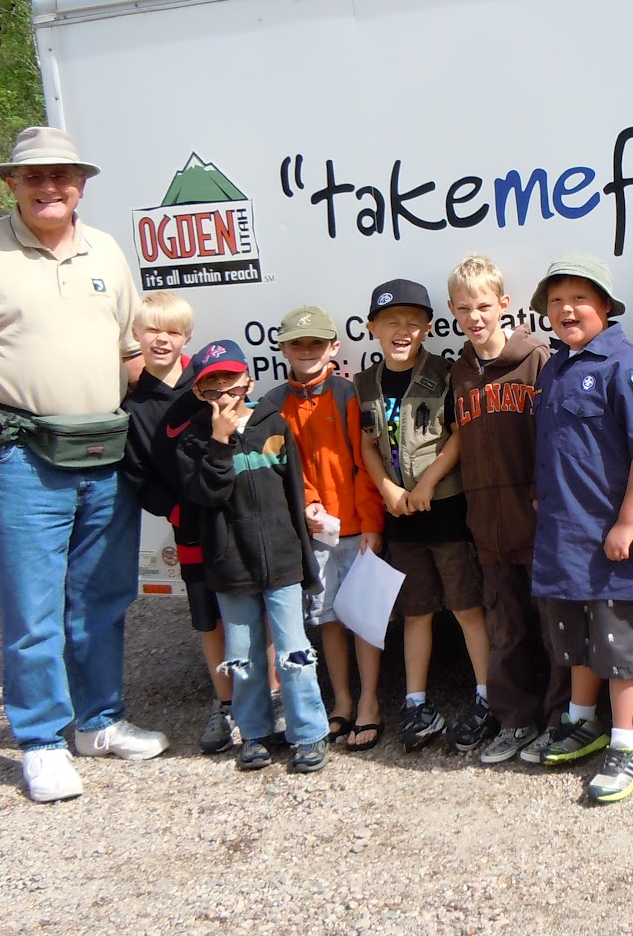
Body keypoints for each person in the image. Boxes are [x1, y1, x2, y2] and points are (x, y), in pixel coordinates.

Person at [0, 126, 167, 804]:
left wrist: (176, 411)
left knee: (101, 598)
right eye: (35, 176)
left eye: (62, 175)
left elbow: (126, 351)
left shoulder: (107, 252)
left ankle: (99, 722)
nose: (50, 186)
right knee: (33, 609)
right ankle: (41, 741)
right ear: (12, 184)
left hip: (104, 450)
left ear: (81, 183)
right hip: (24, 455)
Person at [529, 253, 633, 803]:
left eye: (579, 298)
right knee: (575, 636)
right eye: (556, 300)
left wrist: (626, 524)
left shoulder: (628, 366)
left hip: (611, 536)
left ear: (606, 306)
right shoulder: (553, 368)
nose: (567, 309)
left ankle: (625, 745)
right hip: (565, 536)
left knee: (619, 643)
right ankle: (581, 721)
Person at [173, 340, 332, 774]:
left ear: (249, 380)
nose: (223, 392)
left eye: (230, 380)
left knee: (294, 650)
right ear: (200, 392)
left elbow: (294, 488)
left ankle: (309, 732)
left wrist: (303, 552)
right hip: (231, 565)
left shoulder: (273, 425)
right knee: (242, 653)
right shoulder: (192, 441)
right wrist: (220, 443)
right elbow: (206, 494)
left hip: (281, 560)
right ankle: (254, 733)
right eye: (212, 385)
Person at [355, 280, 494, 752]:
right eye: (391, 322)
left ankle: (485, 695)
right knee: (416, 611)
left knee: (466, 606)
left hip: (446, 509)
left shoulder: (445, 372)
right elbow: (368, 444)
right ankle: (415, 702)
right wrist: (388, 489)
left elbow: (458, 436)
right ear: (371, 327)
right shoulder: (365, 382)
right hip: (400, 515)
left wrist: (429, 483)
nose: (402, 331)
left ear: (428, 328)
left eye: (413, 322)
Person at [446, 256, 569, 765]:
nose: (475, 317)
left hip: (535, 519)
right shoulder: (459, 372)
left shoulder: (536, 359)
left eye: (483, 306)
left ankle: (564, 722)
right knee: (506, 627)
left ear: (504, 305)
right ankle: (516, 721)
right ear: (453, 313)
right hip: (487, 524)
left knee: (554, 625)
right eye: (464, 309)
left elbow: (556, 435)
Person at [121, 291, 237, 754]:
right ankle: (225, 703)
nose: (162, 340)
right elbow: (138, 477)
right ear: (136, 336)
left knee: (251, 607)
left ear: (187, 336)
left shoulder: (209, 382)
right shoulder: (133, 406)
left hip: (236, 515)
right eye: (152, 330)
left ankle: (268, 697)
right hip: (190, 527)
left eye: (172, 332)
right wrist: (175, 511)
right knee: (209, 618)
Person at [275, 304, 386, 751]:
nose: (307, 351)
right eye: (298, 344)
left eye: (316, 344)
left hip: (359, 530)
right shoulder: (273, 405)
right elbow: (286, 468)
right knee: (330, 621)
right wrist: (309, 507)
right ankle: (341, 700)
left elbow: (366, 463)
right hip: (315, 534)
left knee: (364, 619)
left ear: (334, 348)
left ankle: (370, 704)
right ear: (283, 348)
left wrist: (373, 526)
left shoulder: (348, 394)